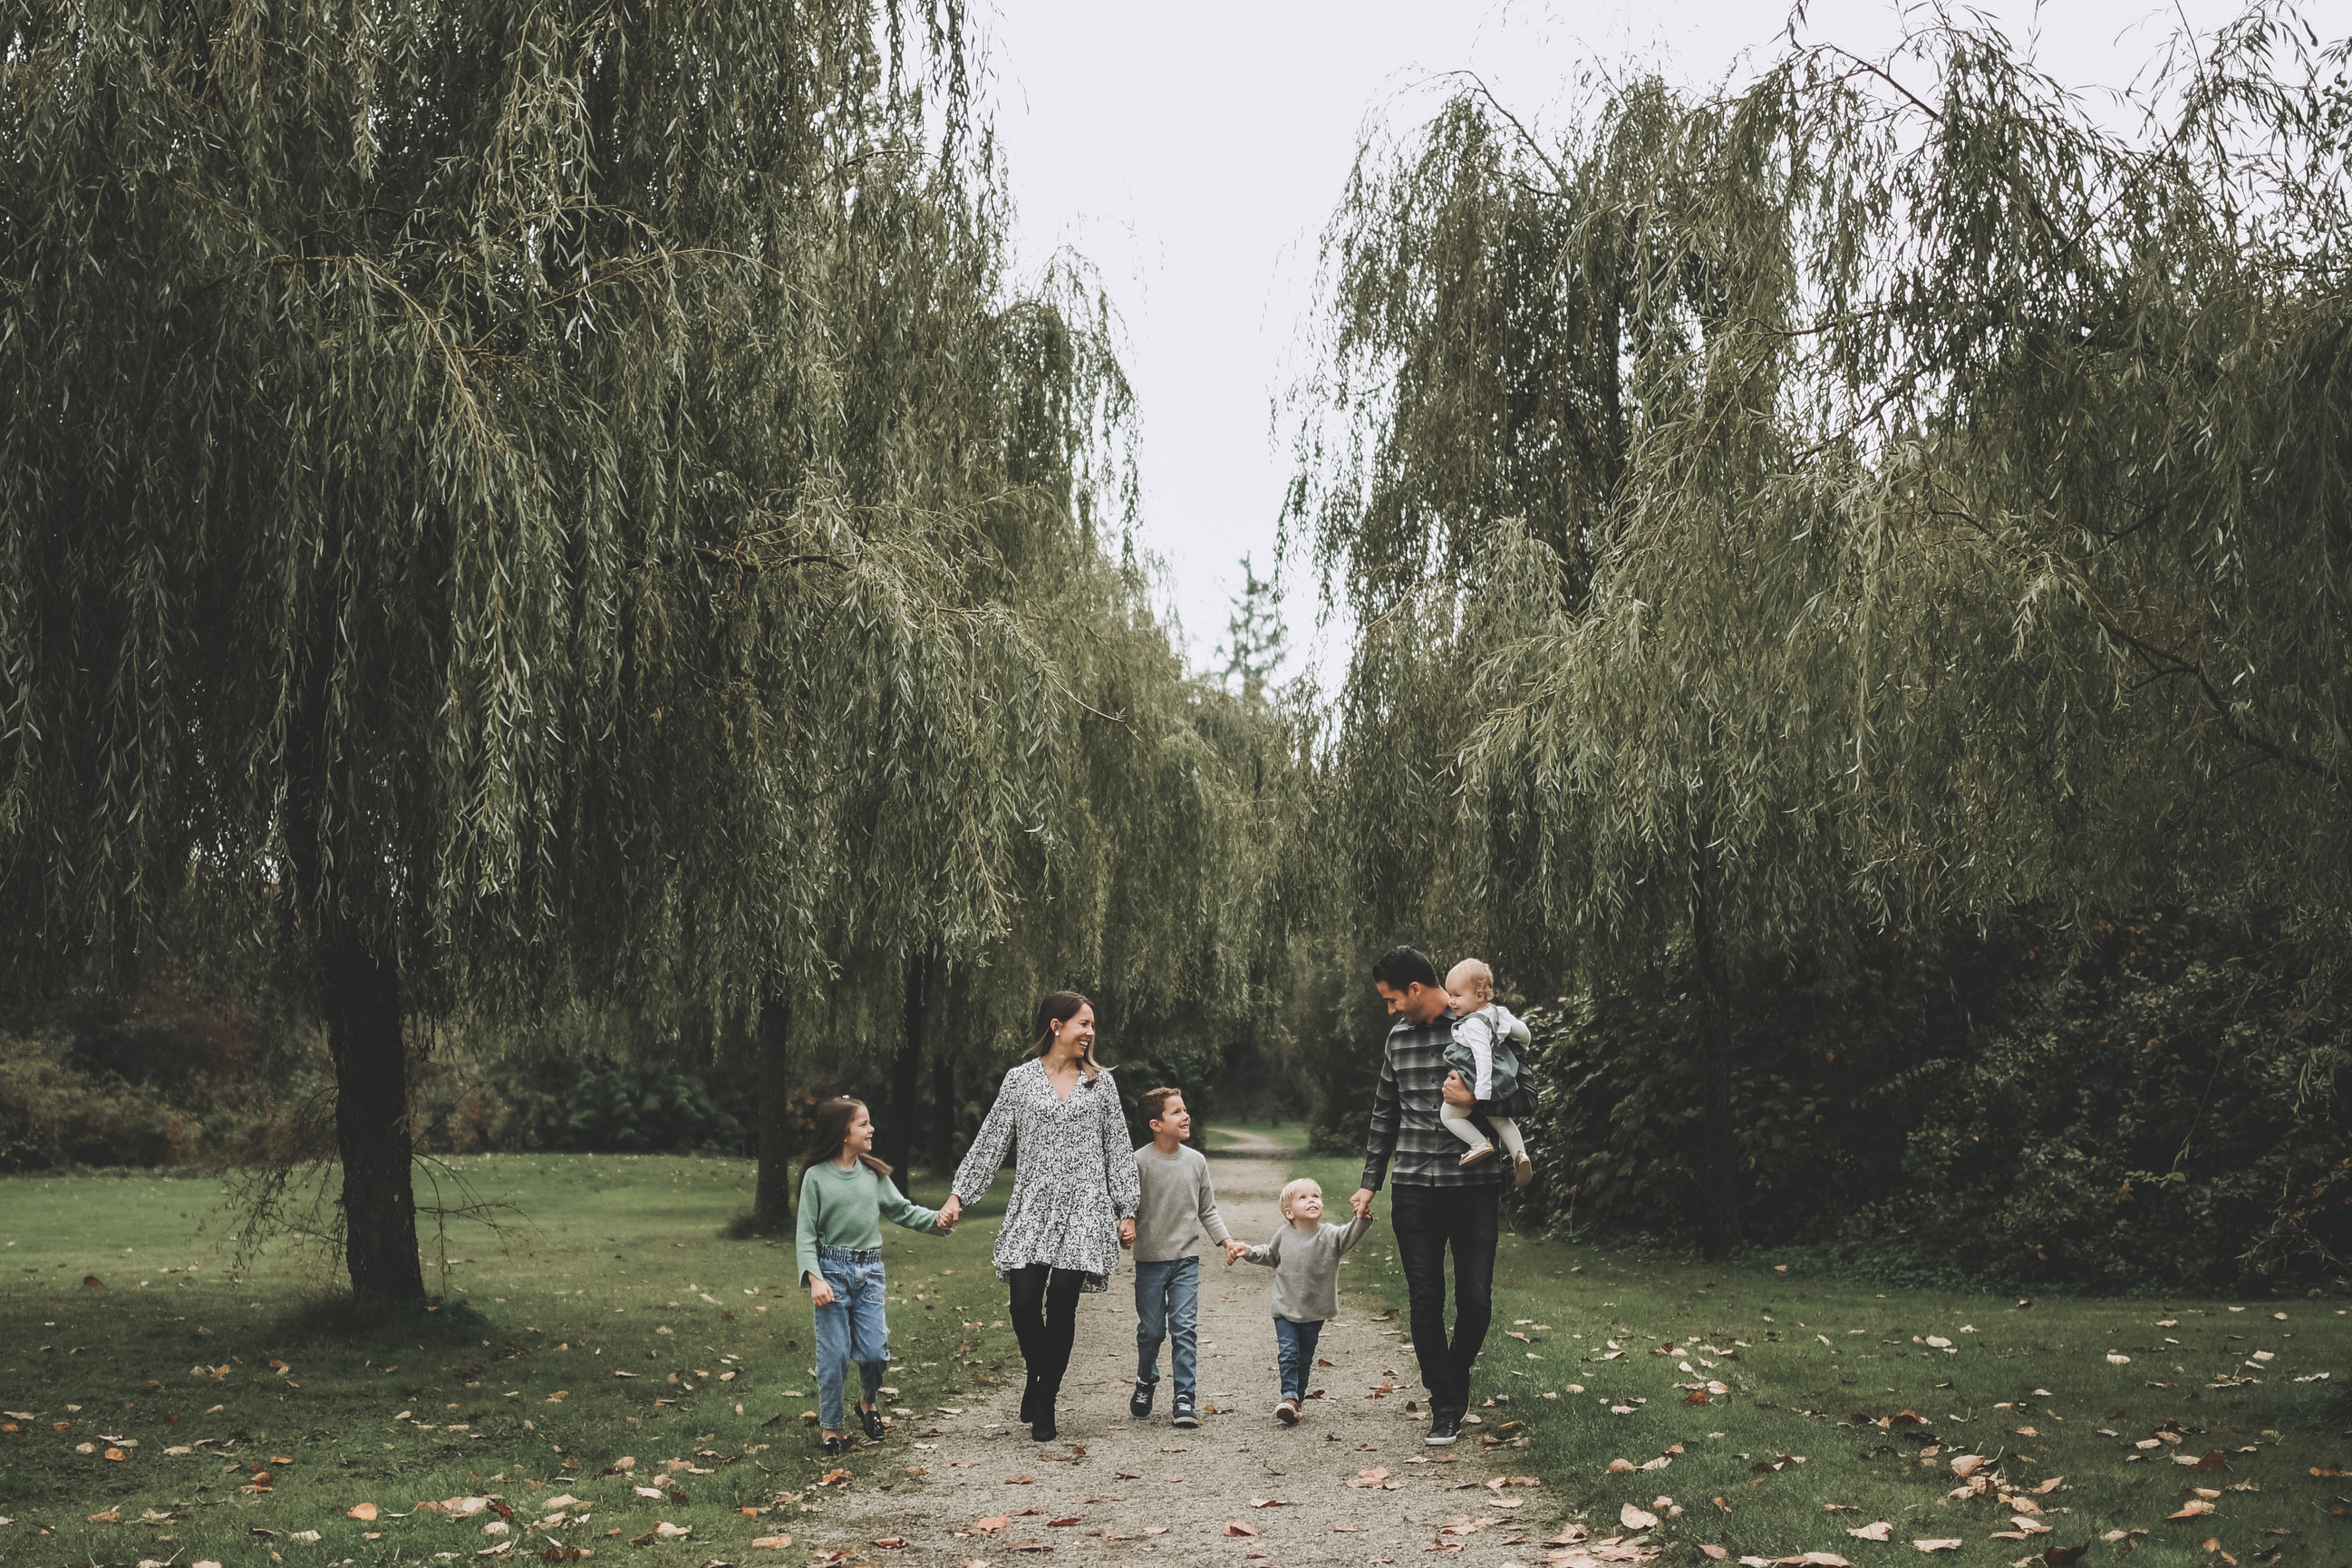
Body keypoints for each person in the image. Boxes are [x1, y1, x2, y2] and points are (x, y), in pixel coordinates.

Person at [940, 991, 1142, 1443]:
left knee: (1063, 1304)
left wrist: (1126, 1210)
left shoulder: (1100, 1084)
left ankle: (1046, 1400)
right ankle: (1037, 1375)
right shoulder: (1019, 1080)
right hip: (1033, 1204)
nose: (1090, 1032)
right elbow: (991, 1141)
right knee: (1024, 1304)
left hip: (1086, 1207)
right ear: (1056, 1026)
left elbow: (1118, 1150)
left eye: (1092, 1025)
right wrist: (958, 1197)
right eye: (1082, 1024)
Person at [1350, 944, 1505, 1447]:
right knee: (1425, 1299)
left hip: (1473, 1187)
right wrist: (1371, 1180)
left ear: (1415, 990)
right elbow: (1384, 1114)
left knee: (1476, 1301)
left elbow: (1528, 1095)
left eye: (1392, 999)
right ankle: (1444, 1403)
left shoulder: (1478, 1027)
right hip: (1413, 1187)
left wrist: (1478, 1098)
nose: (1390, 1010)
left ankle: (1453, 1380)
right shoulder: (1397, 1040)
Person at [796, 1096, 957, 1457]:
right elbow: (805, 1234)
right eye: (863, 1124)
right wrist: (814, 1278)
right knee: (834, 1356)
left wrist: (938, 1221)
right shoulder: (816, 1177)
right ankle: (832, 1428)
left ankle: (867, 1403)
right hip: (832, 1274)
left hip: (869, 1273)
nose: (872, 1129)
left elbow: (902, 1211)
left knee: (874, 1352)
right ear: (842, 1133)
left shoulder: (873, 1174)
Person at [1128, 1087, 1246, 1428]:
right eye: (1176, 1112)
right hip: (1150, 1261)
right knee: (1151, 1331)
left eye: (1185, 1110)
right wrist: (1125, 1229)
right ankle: (1146, 1377)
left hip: (1186, 1261)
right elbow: (1126, 1209)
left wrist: (1225, 1240)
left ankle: (1184, 1397)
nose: (1186, 1116)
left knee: (1184, 1329)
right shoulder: (1138, 1162)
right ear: (1156, 1123)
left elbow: (1206, 1209)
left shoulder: (1196, 1161)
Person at [1235, 1176, 1373, 1424]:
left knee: (1305, 1358)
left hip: (1315, 1309)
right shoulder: (1284, 1234)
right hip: (1285, 1307)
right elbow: (1270, 1256)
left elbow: (1349, 1235)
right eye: (1304, 1197)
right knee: (1288, 1353)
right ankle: (1288, 1397)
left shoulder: (1330, 1235)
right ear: (1289, 1213)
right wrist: (1247, 1251)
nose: (1312, 1200)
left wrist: (1361, 1220)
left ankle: (1296, 1403)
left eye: (1316, 1196)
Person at [1440, 958, 1536, 1186]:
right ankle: (1520, 1154)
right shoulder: (1498, 1012)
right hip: (1502, 1072)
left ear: (1479, 996)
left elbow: (1482, 1055)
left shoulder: (1473, 1024)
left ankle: (1478, 1144)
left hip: (1479, 1076)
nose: (1451, 1001)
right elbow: (1524, 1033)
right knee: (1501, 1119)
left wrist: (1482, 1091)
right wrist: (1522, 1044)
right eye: (1449, 994)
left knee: (1449, 1115)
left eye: (1456, 995)